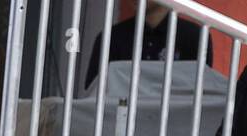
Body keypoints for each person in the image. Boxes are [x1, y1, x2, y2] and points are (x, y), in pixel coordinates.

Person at [84, 2, 212, 91]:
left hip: (176, 125)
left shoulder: (195, 36)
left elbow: (202, 94)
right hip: (120, 124)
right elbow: (94, 91)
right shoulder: (111, 37)